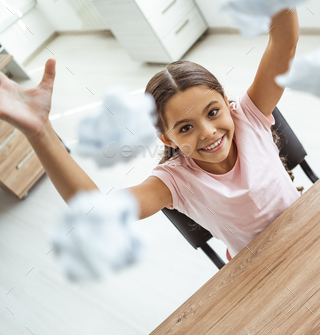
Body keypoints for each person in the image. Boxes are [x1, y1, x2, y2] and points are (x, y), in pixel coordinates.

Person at [0, 9, 301, 262]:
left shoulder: (247, 115)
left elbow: (284, 43)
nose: (209, 133)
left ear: (226, 102)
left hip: (307, 220)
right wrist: (40, 131)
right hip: (259, 268)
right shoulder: (175, 182)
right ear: (167, 139)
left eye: (212, 112)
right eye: (185, 128)